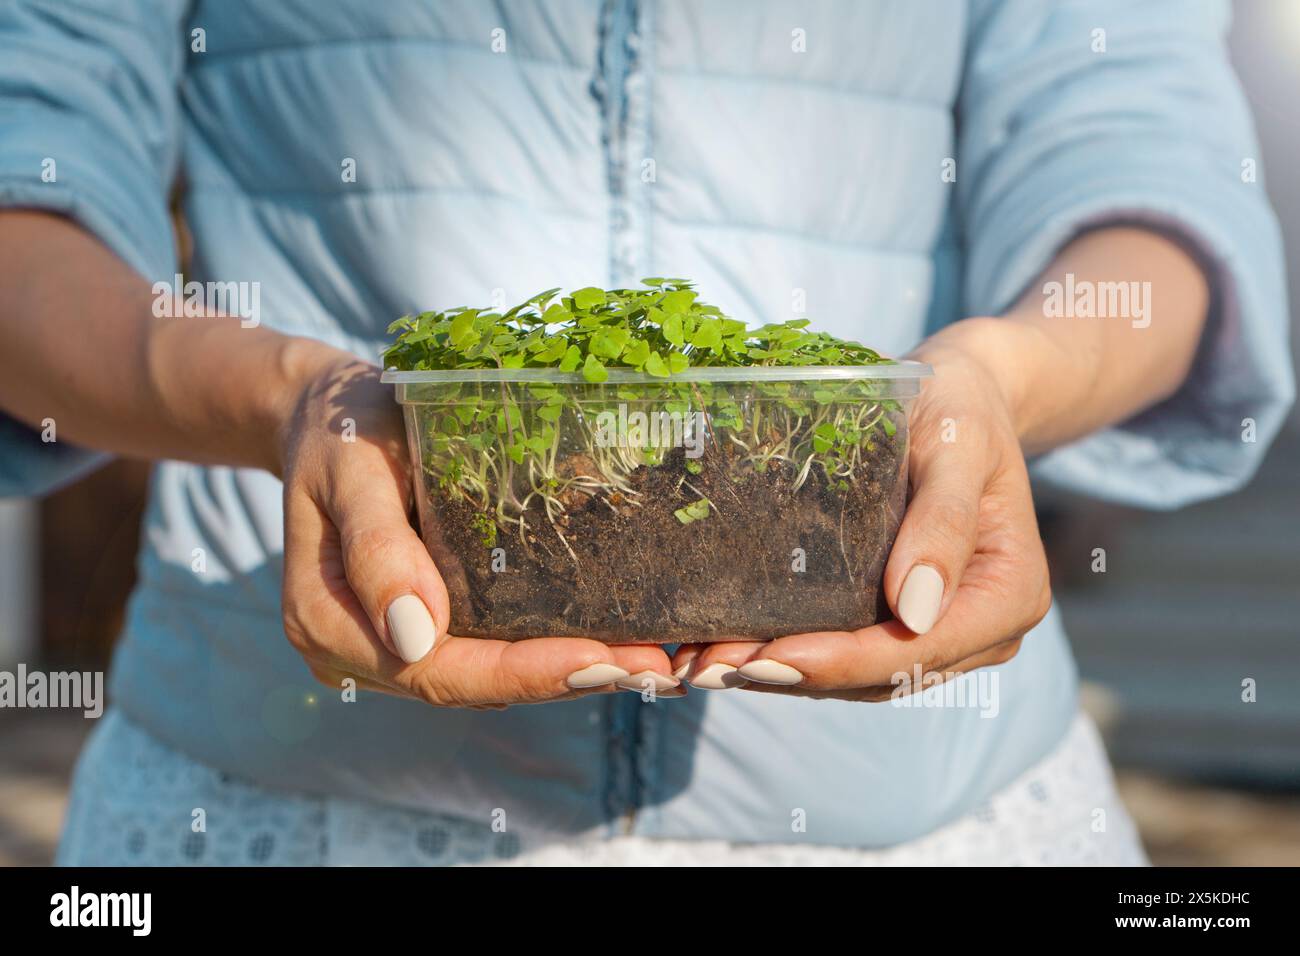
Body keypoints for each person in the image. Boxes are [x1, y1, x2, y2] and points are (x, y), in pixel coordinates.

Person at [0, 1, 1290, 865]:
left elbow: (1142, 174)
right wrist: (292, 398)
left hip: (921, 815)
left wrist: (998, 380)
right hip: (281, 797)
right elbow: (25, 182)